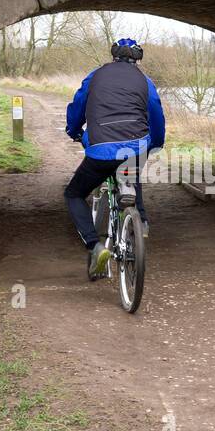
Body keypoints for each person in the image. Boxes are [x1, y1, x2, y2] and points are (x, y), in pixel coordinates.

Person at [64, 38, 165, 279]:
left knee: (74, 194)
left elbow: (78, 105)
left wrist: (74, 130)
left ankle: (94, 245)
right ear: (137, 59)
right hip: (134, 147)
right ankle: (140, 217)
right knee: (132, 165)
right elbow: (156, 114)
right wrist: (156, 142)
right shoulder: (145, 81)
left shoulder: (95, 76)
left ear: (114, 56)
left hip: (100, 149)